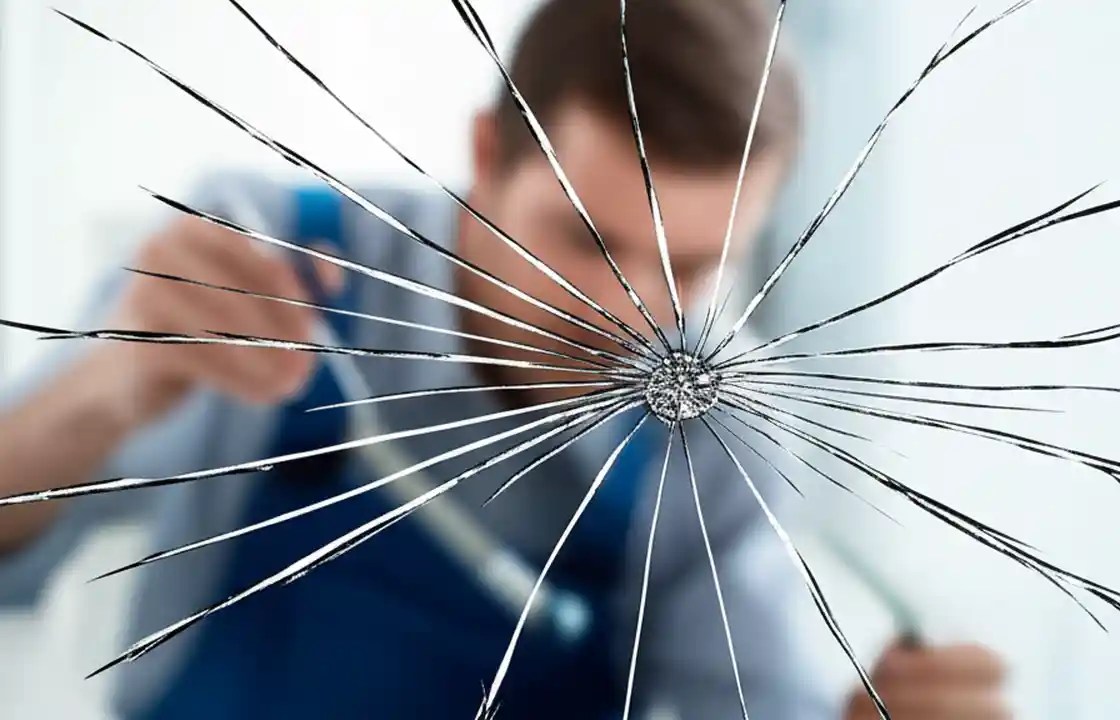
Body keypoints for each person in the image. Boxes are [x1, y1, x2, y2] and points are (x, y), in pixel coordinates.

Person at [0, 0, 1008, 717]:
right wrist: (107, 390)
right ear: (487, 156)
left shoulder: (720, 432)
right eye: (586, 240)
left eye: (692, 266)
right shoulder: (269, 255)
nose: (633, 320)